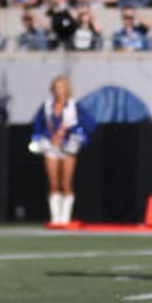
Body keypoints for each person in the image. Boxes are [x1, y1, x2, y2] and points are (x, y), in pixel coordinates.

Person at [30, 76, 95, 226]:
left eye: (62, 87)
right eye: (56, 87)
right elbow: (37, 125)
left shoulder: (74, 105)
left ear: (66, 89)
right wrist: (46, 136)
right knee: (53, 183)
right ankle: (55, 218)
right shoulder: (47, 106)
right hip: (51, 146)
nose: (59, 90)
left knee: (66, 183)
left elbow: (90, 123)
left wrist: (72, 131)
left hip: (68, 147)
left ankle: (65, 218)